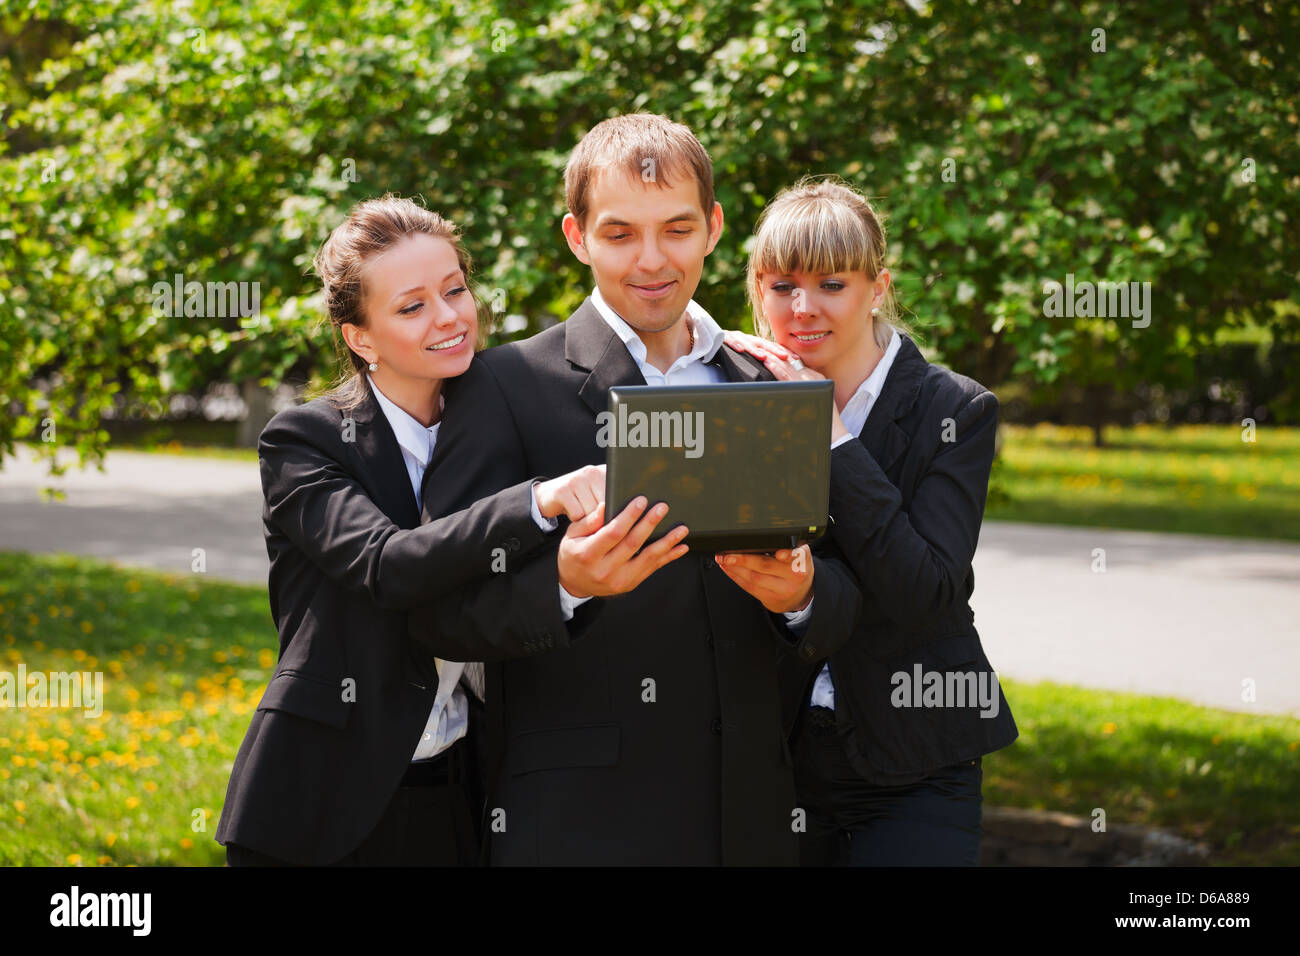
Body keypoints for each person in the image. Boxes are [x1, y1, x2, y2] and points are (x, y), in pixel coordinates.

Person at [409, 114, 862, 865]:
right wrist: (564, 584)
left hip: (748, 821)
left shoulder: (769, 384)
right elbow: (437, 608)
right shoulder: (503, 386)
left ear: (714, 228)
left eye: (677, 229)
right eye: (620, 234)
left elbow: (847, 591)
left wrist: (802, 594)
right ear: (577, 237)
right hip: (577, 823)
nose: (652, 260)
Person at [216, 195, 608, 866]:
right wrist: (535, 502)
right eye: (412, 306)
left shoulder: (504, 419)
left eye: (455, 289)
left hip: (459, 787)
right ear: (360, 338)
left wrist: (723, 346)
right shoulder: (304, 441)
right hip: (322, 795)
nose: (450, 317)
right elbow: (386, 565)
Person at [725, 176, 1019, 866]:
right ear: (755, 289)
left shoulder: (957, 408)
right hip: (777, 760)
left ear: (877, 287)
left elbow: (925, 590)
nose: (803, 309)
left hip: (919, 757)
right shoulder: (732, 397)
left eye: (832, 284)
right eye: (781, 287)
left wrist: (829, 437)